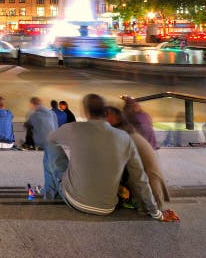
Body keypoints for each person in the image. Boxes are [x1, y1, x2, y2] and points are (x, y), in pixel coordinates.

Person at [42, 93, 179, 222]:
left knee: (50, 145)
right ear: (105, 112)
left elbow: (50, 139)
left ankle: (49, 193)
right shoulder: (125, 137)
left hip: (75, 201)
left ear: (85, 112)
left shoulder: (73, 128)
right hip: (107, 207)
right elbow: (140, 179)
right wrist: (156, 213)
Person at [106, 106, 171, 208]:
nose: (104, 119)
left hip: (148, 188)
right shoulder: (127, 130)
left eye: (106, 115)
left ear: (116, 118)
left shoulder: (121, 134)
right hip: (149, 182)